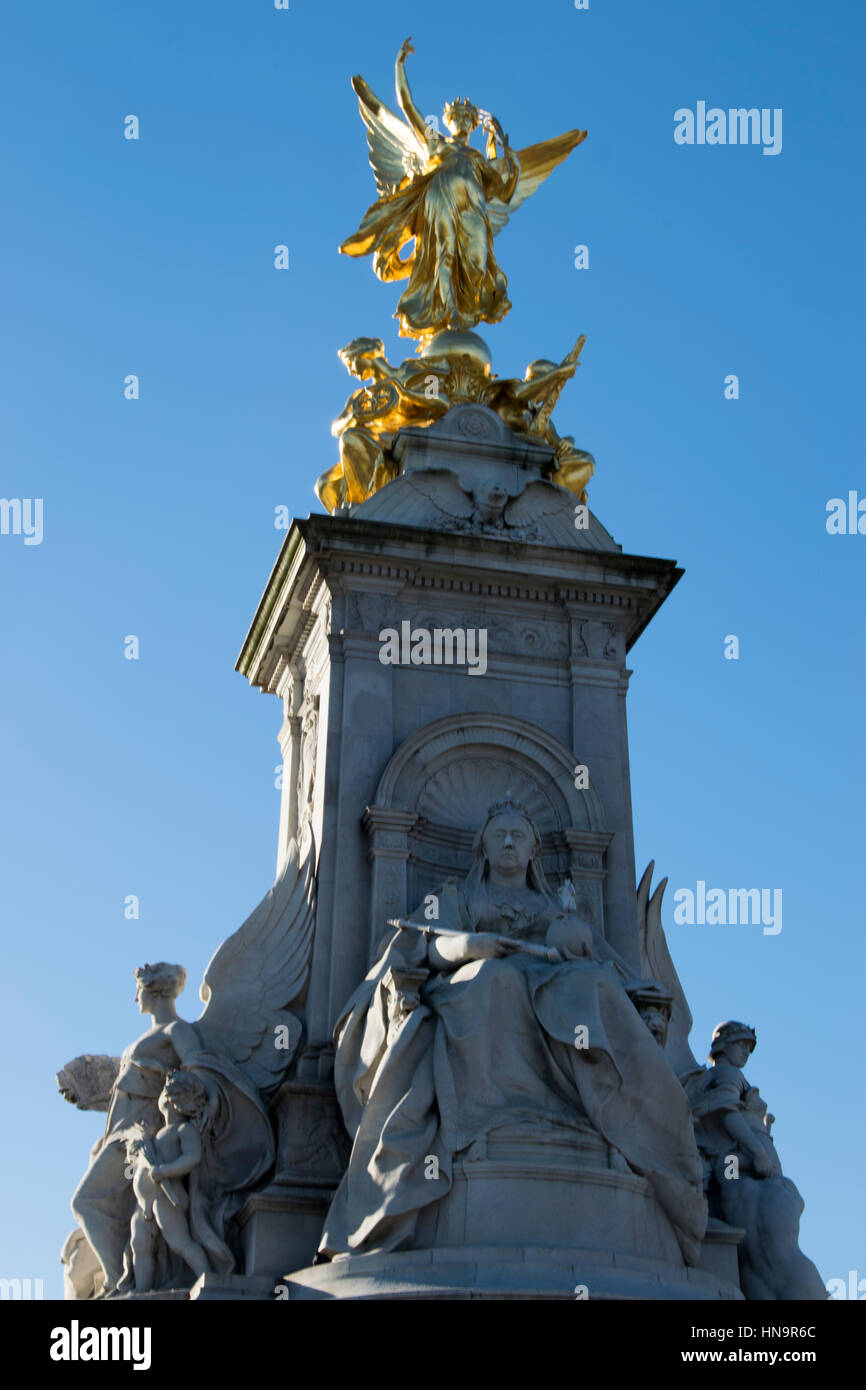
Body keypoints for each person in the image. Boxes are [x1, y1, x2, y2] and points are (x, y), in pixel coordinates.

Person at [319, 798, 707, 1263]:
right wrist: (469, 945)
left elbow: (600, 960)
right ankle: (486, 1122)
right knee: (494, 980)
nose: (508, 842)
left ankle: (604, 1119)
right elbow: (423, 945)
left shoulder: (552, 904)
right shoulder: (459, 897)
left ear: (533, 850)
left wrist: (574, 944)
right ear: (482, 846)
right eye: (499, 835)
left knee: (593, 987)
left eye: (518, 836)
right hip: (474, 985)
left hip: (551, 985)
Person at [71, 962, 199, 1294]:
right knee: (102, 1205)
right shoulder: (142, 1040)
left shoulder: (177, 1032)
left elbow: (202, 1075)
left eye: (138, 990)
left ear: (154, 990)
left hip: (142, 1133)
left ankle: (119, 1279)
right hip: (119, 1134)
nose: (135, 998)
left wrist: (163, 1075)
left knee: (86, 1201)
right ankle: (122, 1278)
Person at [687, 1021, 826, 1300]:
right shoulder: (729, 1073)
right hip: (750, 1168)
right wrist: (758, 1151)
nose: (746, 1052)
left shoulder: (714, 1078)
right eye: (741, 1044)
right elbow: (727, 1111)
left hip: (740, 1172)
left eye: (749, 1048)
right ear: (722, 1045)